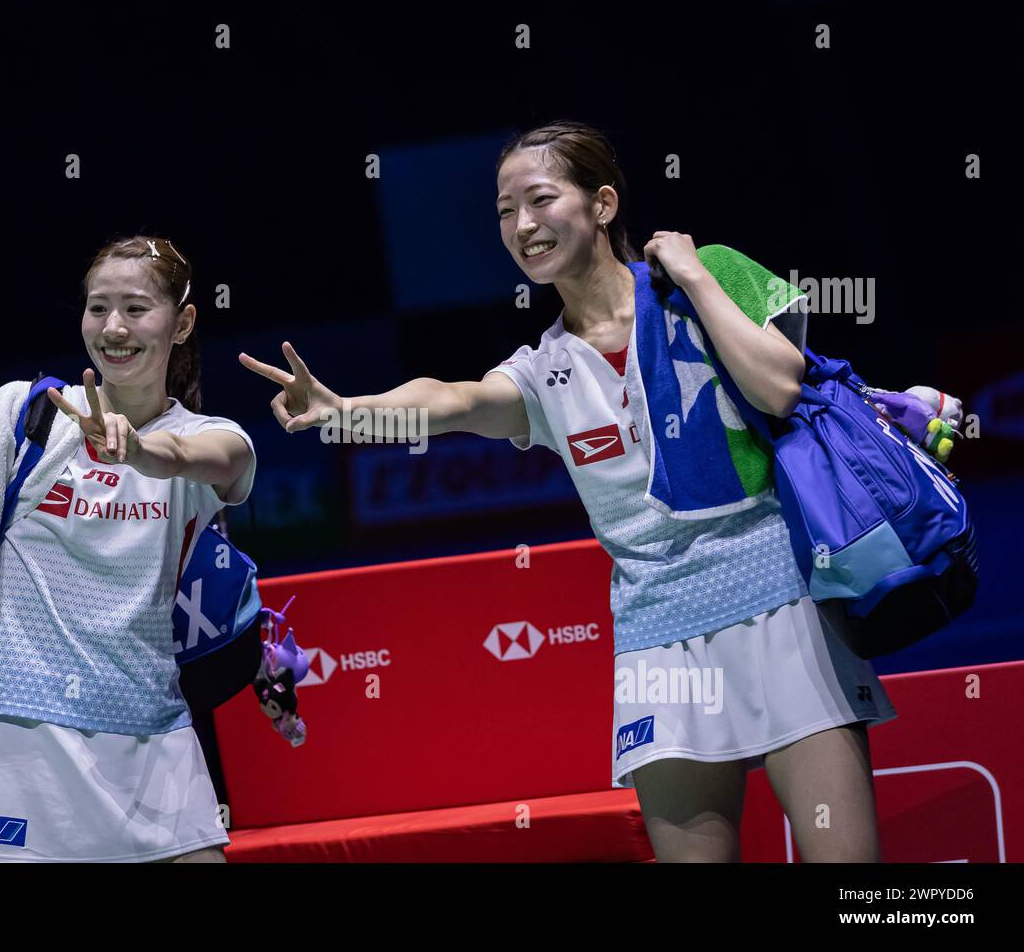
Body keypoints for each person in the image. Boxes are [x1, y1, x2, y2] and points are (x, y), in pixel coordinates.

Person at [240, 122, 896, 862]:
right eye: (503, 210)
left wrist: (697, 276)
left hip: (784, 607)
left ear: (603, 204)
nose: (521, 225)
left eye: (541, 199)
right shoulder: (543, 372)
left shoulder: (710, 275)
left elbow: (781, 387)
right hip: (659, 638)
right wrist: (348, 414)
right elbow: (453, 400)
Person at [0, 235, 256, 862]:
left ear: (183, 321)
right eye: (98, 307)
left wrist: (138, 451)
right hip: (18, 746)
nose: (114, 327)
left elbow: (207, 461)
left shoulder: (213, 439)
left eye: (136, 309)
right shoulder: (22, 415)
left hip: (153, 746)